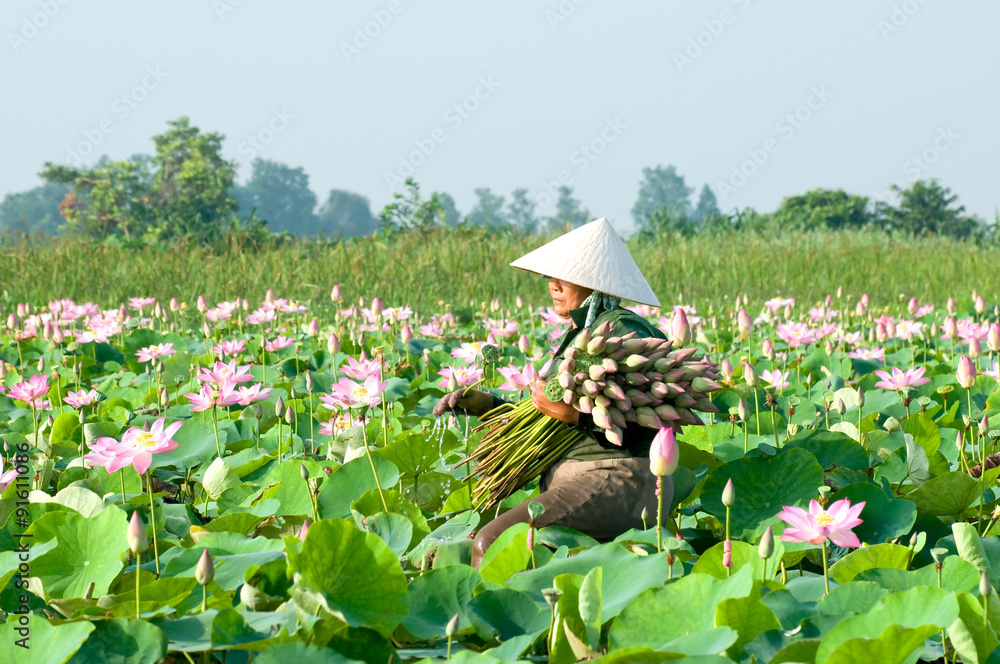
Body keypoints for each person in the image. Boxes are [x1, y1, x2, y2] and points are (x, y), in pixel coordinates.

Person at [433, 217, 674, 568]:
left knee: (491, 543)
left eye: (566, 275)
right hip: (580, 477)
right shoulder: (581, 333)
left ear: (597, 282)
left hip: (616, 476)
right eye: (550, 276)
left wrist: (577, 417)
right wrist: (488, 405)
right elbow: (550, 415)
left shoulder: (622, 327)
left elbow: (651, 418)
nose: (553, 284)